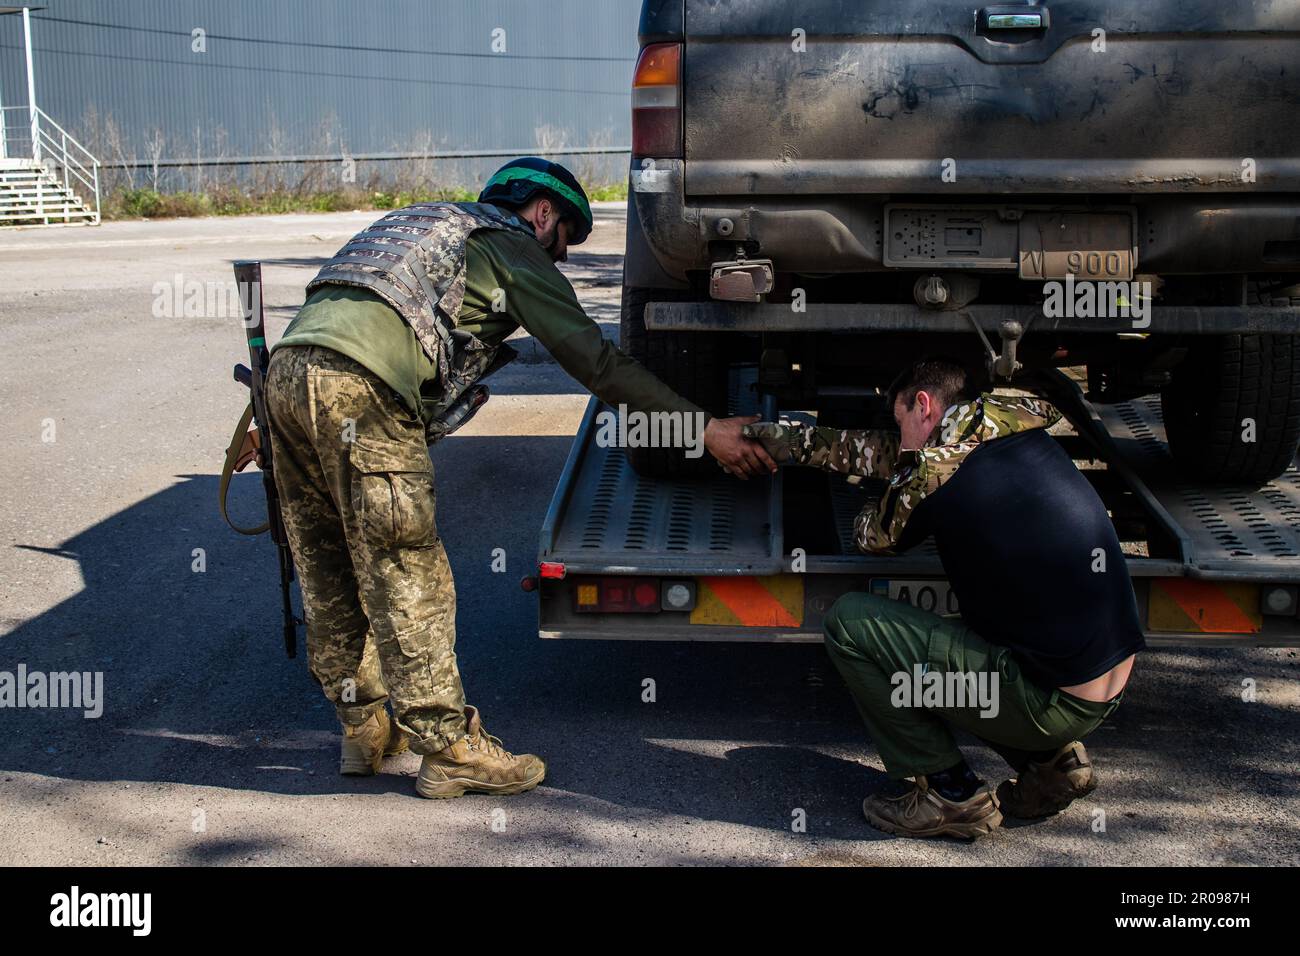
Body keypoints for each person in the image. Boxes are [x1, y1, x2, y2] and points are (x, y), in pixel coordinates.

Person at [263, 157, 776, 799]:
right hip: (361, 390)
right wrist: (703, 429)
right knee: (405, 565)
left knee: (326, 562)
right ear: (542, 214)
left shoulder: (420, 226)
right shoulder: (509, 247)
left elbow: (343, 317)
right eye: (564, 244)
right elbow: (594, 359)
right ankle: (449, 748)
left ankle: (363, 727)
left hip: (283, 377)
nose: (558, 262)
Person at [745, 358, 1144, 839]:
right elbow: (888, 453)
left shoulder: (934, 473)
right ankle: (1053, 764)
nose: (902, 440)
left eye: (900, 423)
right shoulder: (1006, 422)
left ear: (924, 406)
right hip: (1105, 685)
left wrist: (887, 487)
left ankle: (949, 794)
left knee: (851, 624)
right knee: (967, 627)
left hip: (1048, 702)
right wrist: (784, 440)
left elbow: (872, 535)